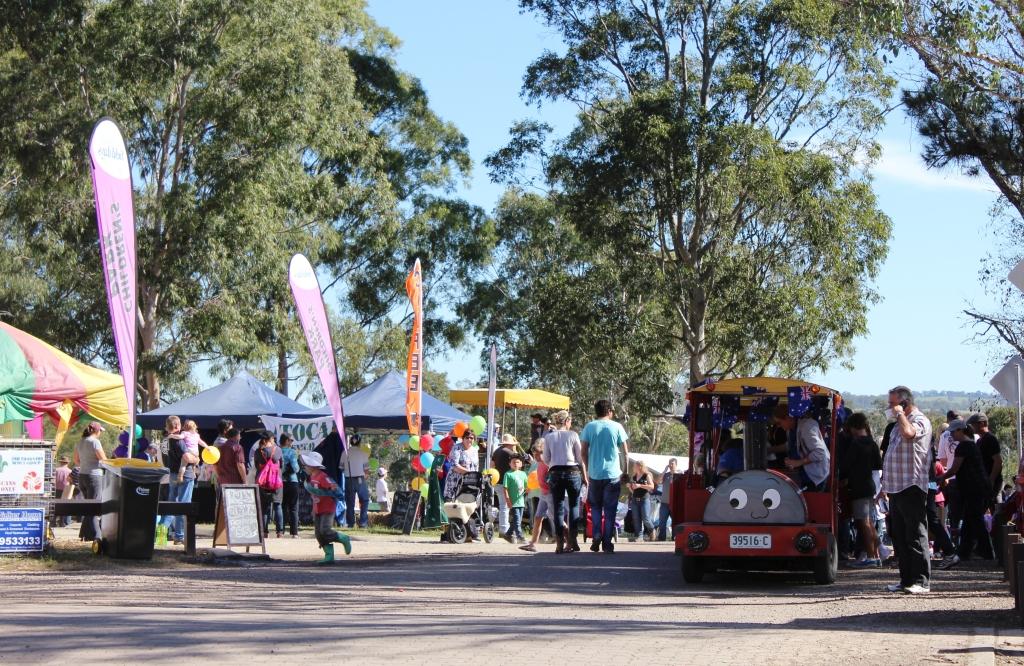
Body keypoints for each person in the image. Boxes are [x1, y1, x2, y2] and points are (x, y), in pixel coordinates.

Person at [880, 386, 933, 594]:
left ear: (904, 403)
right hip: (895, 487)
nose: (889, 407)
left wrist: (901, 414)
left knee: (915, 534)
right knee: (900, 536)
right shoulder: (895, 426)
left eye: (892, 404)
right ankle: (906, 580)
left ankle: (921, 581)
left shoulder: (920, 420)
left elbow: (909, 434)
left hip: (911, 485)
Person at [939, 419, 996, 568]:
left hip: (973, 489)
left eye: (952, 432)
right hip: (977, 489)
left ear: (960, 431)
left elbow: (954, 469)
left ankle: (987, 553)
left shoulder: (963, 447)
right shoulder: (971, 445)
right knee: (970, 521)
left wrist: (941, 478)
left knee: (975, 520)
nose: (951, 435)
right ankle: (964, 552)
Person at [581, 399, 630, 554]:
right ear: (610, 411)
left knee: (595, 507)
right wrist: (626, 472)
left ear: (596, 412)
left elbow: (583, 452)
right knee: (609, 510)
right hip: (613, 474)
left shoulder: (589, 427)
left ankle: (596, 534)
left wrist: (587, 470)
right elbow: (626, 453)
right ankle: (607, 543)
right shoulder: (617, 427)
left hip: (594, 474)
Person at [840, 413, 883, 567]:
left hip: (858, 486)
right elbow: (878, 464)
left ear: (852, 427)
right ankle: (878, 553)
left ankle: (871, 556)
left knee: (863, 522)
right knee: (869, 521)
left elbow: (845, 465)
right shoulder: (872, 443)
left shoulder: (855, 444)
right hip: (870, 485)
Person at [541, 410, 585, 554]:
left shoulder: (549, 437)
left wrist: (554, 462)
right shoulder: (573, 435)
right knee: (573, 506)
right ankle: (572, 540)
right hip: (572, 471)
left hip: (555, 472)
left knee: (558, 508)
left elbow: (546, 458)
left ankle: (560, 543)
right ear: (567, 421)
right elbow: (579, 458)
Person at [300, 451, 351, 564]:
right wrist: (314, 509)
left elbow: (335, 489)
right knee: (319, 534)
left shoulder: (323, 477)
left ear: (313, 466)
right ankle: (329, 555)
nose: (305, 467)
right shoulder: (310, 478)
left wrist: (332, 491)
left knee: (325, 530)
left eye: (307, 465)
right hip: (318, 508)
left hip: (328, 508)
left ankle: (343, 538)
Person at [157, 416, 196, 547]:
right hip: (185, 475)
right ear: (178, 426)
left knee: (171, 505)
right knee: (183, 505)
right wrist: (196, 459)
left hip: (172, 474)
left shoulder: (164, 441)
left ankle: (161, 531)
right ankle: (179, 536)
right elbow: (186, 456)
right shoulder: (179, 441)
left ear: (166, 427)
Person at [773, 406, 830, 491]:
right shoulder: (790, 429)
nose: (778, 426)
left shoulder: (806, 427)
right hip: (803, 476)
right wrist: (769, 450)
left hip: (815, 478)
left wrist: (798, 462)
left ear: (788, 418)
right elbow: (790, 446)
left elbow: (820, 452)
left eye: (779, 423)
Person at [74, 422, 107, 541]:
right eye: (100, 431)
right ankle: (98, 536)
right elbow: (103, 459)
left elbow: (76, 460)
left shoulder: (80, 442)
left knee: (88, 507)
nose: (100, 434)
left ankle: (84, 534)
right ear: (96, 431)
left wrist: (86, 464)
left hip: (82, 476)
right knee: (94, 508)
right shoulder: (95, 442)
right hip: (94, 477)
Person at [253, 431, 284, 538]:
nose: (274, 440)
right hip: (276, 481)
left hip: (262, 482)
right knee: (278, 505)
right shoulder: (278, 450)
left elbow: (257, 466)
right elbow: (281, 465)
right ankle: (279, 532)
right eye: (273, 438)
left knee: (264, 507)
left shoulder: (258, 452)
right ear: (269, 439)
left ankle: (264, 532)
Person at [967, 413, 1002, 503]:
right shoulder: (979, 441)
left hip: (991, 482)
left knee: (994, 508)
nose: (971, 427)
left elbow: (998, 461)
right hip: (983, 482)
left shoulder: (990, 439)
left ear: (982, 424)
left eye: (972, 424)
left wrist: (991, 480)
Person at [491, 434, 522, 537]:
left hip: (497, 481)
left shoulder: (496, 451)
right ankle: (504, 529)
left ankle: (504, 528)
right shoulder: (510, 453)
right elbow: (518, 464)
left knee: (503, 506)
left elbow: (492, 465)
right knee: (506, 507)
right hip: (507, 482)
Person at [340, 433, 370, 529]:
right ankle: (363, 522)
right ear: (359, 443)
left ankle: (350, 523)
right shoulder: (363, 453)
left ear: (350, 442)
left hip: (348, 479)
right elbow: (366, 470)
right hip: (360, 479)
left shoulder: (345, 453)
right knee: (364, 500)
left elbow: (340, 467)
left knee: (350, 502)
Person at [502, 455, 528, 543]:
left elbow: (526, 486)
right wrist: (508, 500)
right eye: (513, 462)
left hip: (521, 501)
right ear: (510, 464)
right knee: (517, 521)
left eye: (517, 462)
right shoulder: (508, 474)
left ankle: (508, 534)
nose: (515, 464)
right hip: (513, 502)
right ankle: (520, 537)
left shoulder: (523, 474)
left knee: (517, 520)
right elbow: (505, 489)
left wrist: (528, 489)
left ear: (521, 464)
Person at [279, 433, 300, 538]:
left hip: (280, 481)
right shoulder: (292, 452)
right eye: (291, 440)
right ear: (287, 441)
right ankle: (294, 533)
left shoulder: (277, 451)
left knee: (282, 507)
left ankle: (281, 531)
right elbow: (296, 468)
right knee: (293, 508)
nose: (292, 443)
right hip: (292, 481)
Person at [628, 460, 655, 542]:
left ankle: (652, 529)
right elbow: (633, 491)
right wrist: (630, 487)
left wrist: (640, 485)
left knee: (646, 518)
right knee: (636, 518)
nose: (633, 468)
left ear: (640, 466)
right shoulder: (634, 476)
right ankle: (639, 536)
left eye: (635, 466)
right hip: (635, 499)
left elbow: (652, 487)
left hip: (644, 499)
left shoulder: (646, 475)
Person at [656, 458, 679, 541]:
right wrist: (665, 470)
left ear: (676, 464)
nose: (671, 465)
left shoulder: (680, 475)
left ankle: (675, 538)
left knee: (675, 522)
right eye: (670, 464)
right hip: (664, 503)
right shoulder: (666, 475)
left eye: (672, 463)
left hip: (675, 503)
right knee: (662, 522)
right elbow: (658, 481)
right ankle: (662, 538)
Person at [52, 456, 72, 527]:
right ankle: (62, 522)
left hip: (56, 489)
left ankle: (53, 522)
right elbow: (71, 481)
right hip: (66, 490)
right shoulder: (70, 471)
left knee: (55, 506)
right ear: (67, 463)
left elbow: (53, 480)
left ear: (61, 462)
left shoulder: (56, 470)